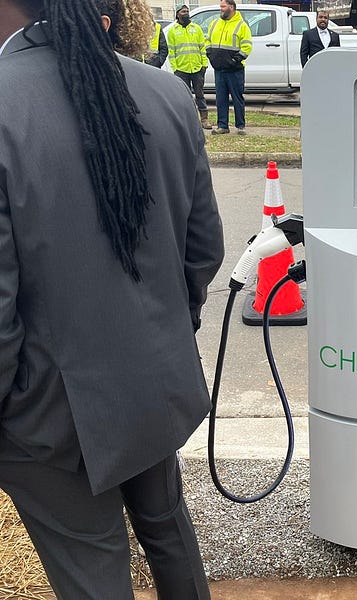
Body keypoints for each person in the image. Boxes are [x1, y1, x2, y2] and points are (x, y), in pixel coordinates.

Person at [0, 0, 225, 598]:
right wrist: (165, 332)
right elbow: (203, 248)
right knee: (167, 528)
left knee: (92, 569)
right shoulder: (167, 93)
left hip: (48, 413)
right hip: (153, 381)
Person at [206, 0, 252, 135]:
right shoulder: (214, 23)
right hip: (219, 69)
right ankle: (222, 126)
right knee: (221, 98)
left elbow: (247, 46)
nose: (221, 9)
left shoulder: (242, 25)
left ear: (231, 7)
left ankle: (240, 126)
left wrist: (235, 60)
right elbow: (207, 40)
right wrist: (210, 55)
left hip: (235, 69)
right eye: (220, 6)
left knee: (237, 98)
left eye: (223, 6)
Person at [168, 4, 212, 129]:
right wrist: (175, 68)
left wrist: (204, 65)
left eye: (187, 11)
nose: (186, 13)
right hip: (181, 69)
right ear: (177, 14)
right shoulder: (172, 31)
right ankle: (188, 120)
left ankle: (204, 119)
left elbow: (202, 47)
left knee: (200, 94)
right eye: (183, 11)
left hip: (197, 68)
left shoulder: (196, 28)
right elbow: (171, 51)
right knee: (185, 96)